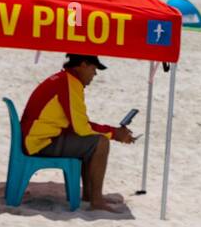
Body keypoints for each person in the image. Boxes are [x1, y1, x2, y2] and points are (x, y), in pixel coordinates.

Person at [21, 54, 135, 213]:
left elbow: (77, 125)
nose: (95, 74)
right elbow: (81, 127)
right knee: (101, 143)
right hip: (40, 142)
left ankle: (90, 195)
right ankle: (96, 201)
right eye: (94, 69)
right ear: (83, 64)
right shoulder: (69, 83)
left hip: (35, 138)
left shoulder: (63, 78)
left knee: (91, 141)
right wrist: (114, 133)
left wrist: (112, 132)